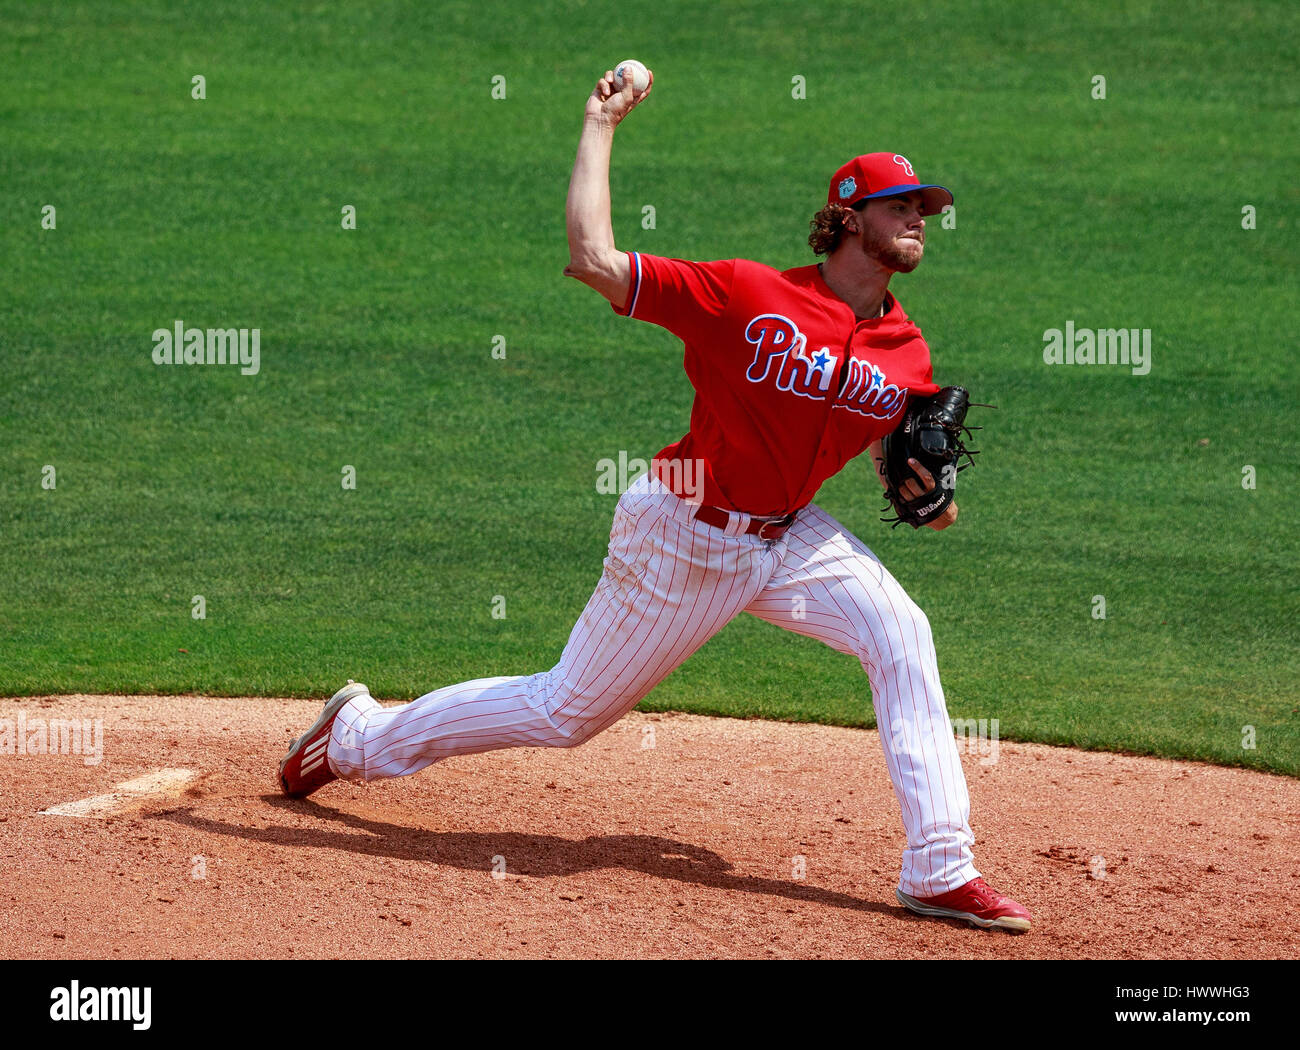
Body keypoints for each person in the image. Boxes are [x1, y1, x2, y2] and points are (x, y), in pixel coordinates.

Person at [280, 68, 1032, 933]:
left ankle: (940, 868)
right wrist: (600, 123)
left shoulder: (907, 350)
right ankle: (356, 738)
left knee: (902, 632)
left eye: (925, 211)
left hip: (788, 540)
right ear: (849, 217)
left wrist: (931, 501)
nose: (919, 222)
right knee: (563, 712)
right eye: (901, 206)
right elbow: (593, 259)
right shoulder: (749, 295)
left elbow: (879, 451)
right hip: (683, 529)